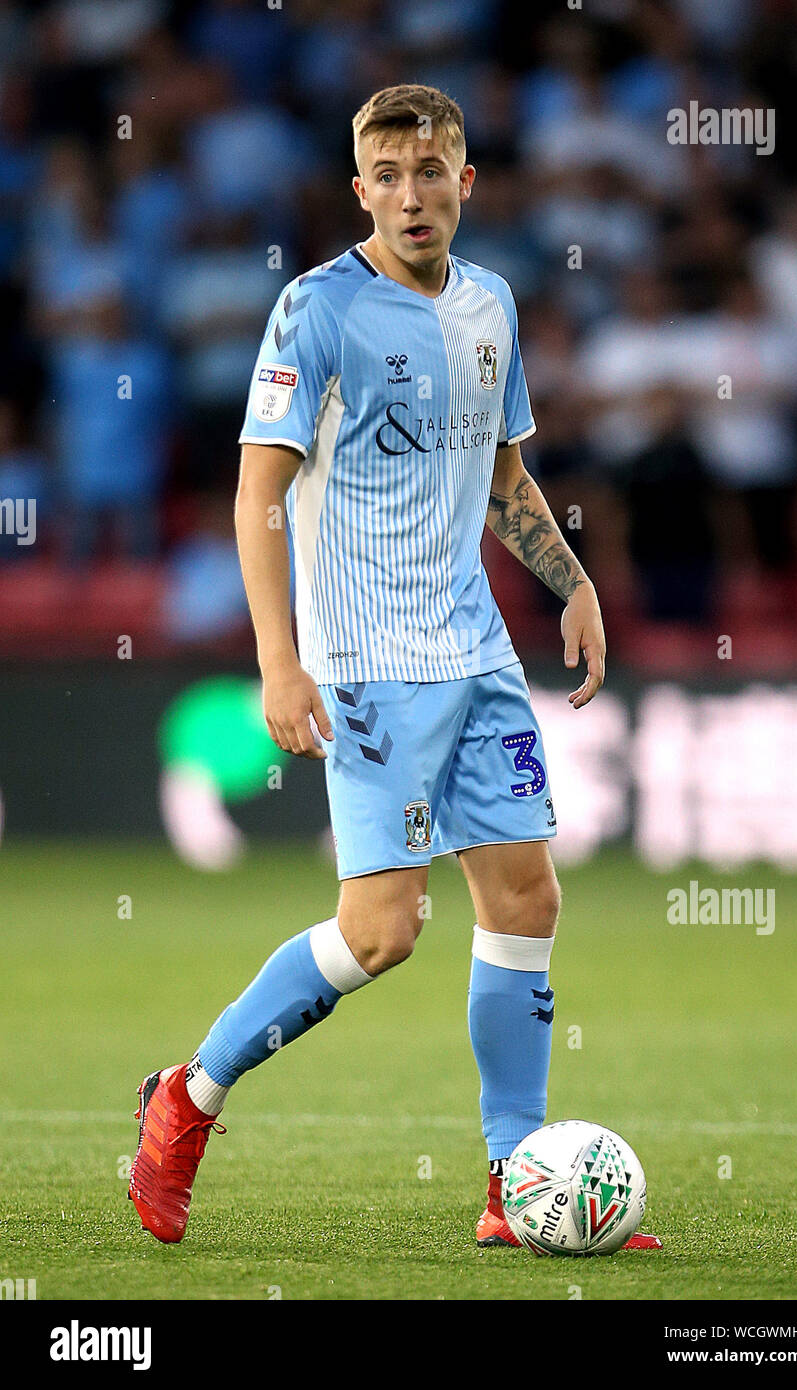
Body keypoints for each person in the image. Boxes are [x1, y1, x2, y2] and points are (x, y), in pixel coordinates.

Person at [129, 83, 655, 1252]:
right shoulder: (316, 311)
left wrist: (571, 583)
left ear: (467, 185)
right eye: (389, 176)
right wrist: (280, 660)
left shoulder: (493, 306)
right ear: (359, 190)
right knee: (381, 932)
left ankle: (514, 1184)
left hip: (475, 654)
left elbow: (506, 477)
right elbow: (258, 490)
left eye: (434, 173)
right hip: (367, 664)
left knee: (526, 896)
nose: (412, 196)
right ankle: (187, 1098)